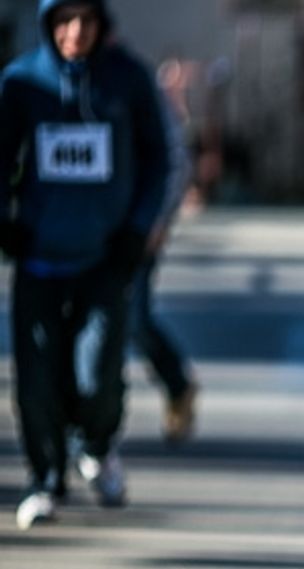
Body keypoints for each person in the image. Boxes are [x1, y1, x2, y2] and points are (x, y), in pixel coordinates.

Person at [0, 0, 170, 529]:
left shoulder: (127, 80)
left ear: (102, 25)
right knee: (36, 381)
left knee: (96, 374)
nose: (76, 32)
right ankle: (45, 479)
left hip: (104, 258)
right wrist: (5, 222)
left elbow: (157, 158)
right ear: (49, 24)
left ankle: (96, 446)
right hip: (39, 261)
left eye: (87, 21)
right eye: (64, 21)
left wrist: (137, 229)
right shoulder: (21, 82)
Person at [132, 60, 198, 446]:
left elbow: (176, 162)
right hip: (82, 236)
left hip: (137, 234)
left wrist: (158, 221)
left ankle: (178, 385)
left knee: (135, 321)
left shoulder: (134, 87)